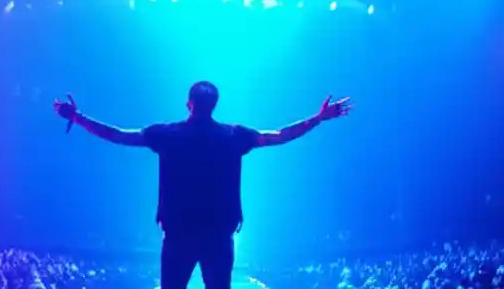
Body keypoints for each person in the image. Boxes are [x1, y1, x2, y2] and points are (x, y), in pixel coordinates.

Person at [53, 81, 352, 289]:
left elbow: (117, 135)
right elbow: (279, 135)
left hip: (179, 234)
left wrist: (77, 117)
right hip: (218, 237)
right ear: (214, 105)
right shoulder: (233, 136)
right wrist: (318, 118)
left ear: (189, 103)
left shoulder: (168, 134)